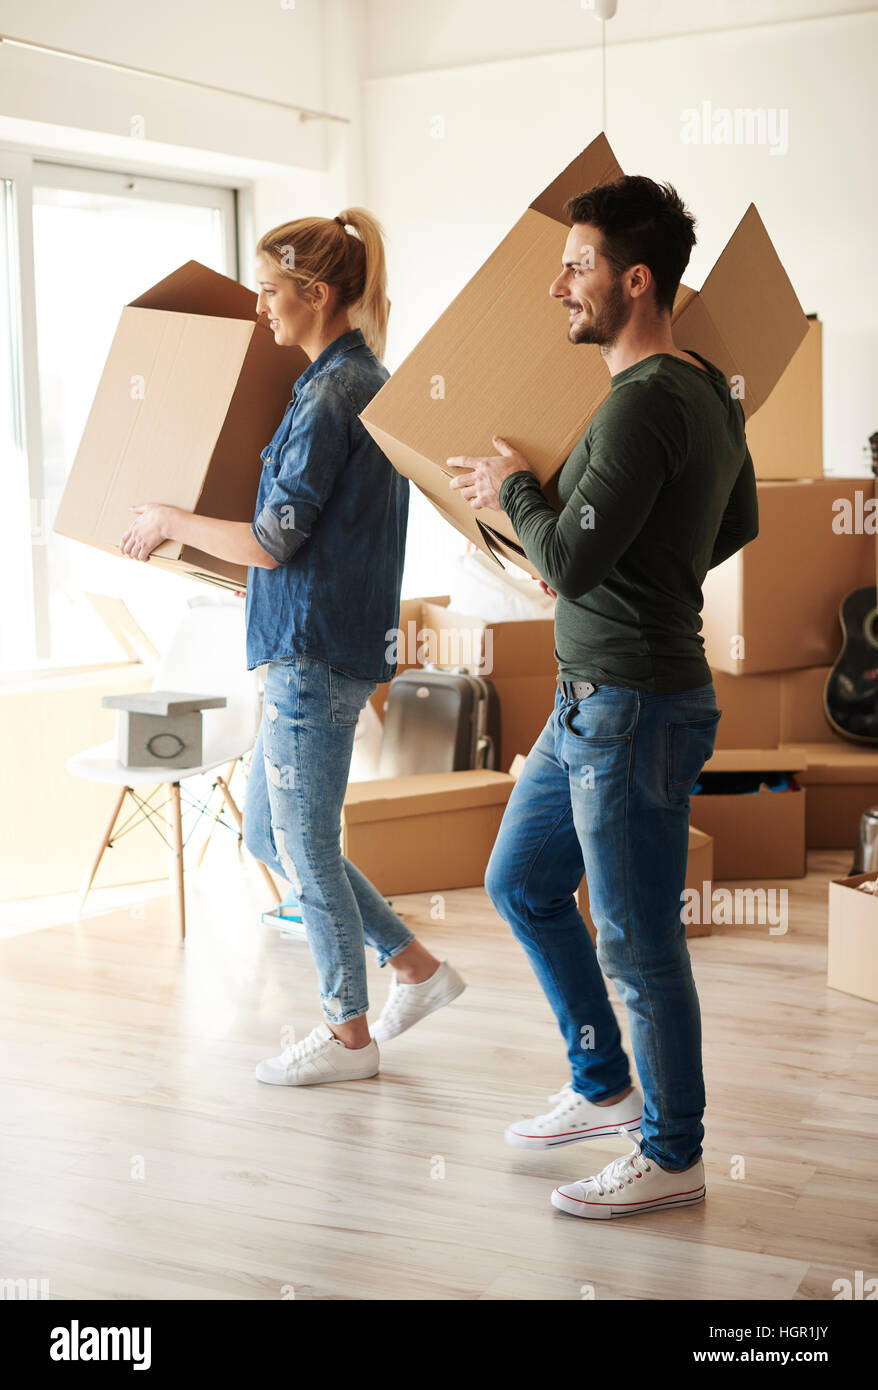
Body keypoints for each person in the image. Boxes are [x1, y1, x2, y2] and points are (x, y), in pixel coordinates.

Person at [448, 175, 758, 1219]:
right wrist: (624, 562)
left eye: (574, 265)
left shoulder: (640, 404)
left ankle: (671, 1153)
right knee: (521, 882)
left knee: (635, 940)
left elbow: (572, 563)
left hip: (628, 707)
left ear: (634, 279)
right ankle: (602, 1087)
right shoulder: (707, 387)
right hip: (595, 701)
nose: (556, 286)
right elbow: (732, 521)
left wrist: (513, 493)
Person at [120, 208, 465, 1085]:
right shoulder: (352, 382)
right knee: (272, 837)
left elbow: (275, 538)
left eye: (272, 293)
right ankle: (416, 969)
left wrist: (171, 522)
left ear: (316, 294)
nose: (262, 309)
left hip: (312, 651)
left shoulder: (330, 394)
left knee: (303, 844)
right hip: (314, 643)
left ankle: (351, 1035)